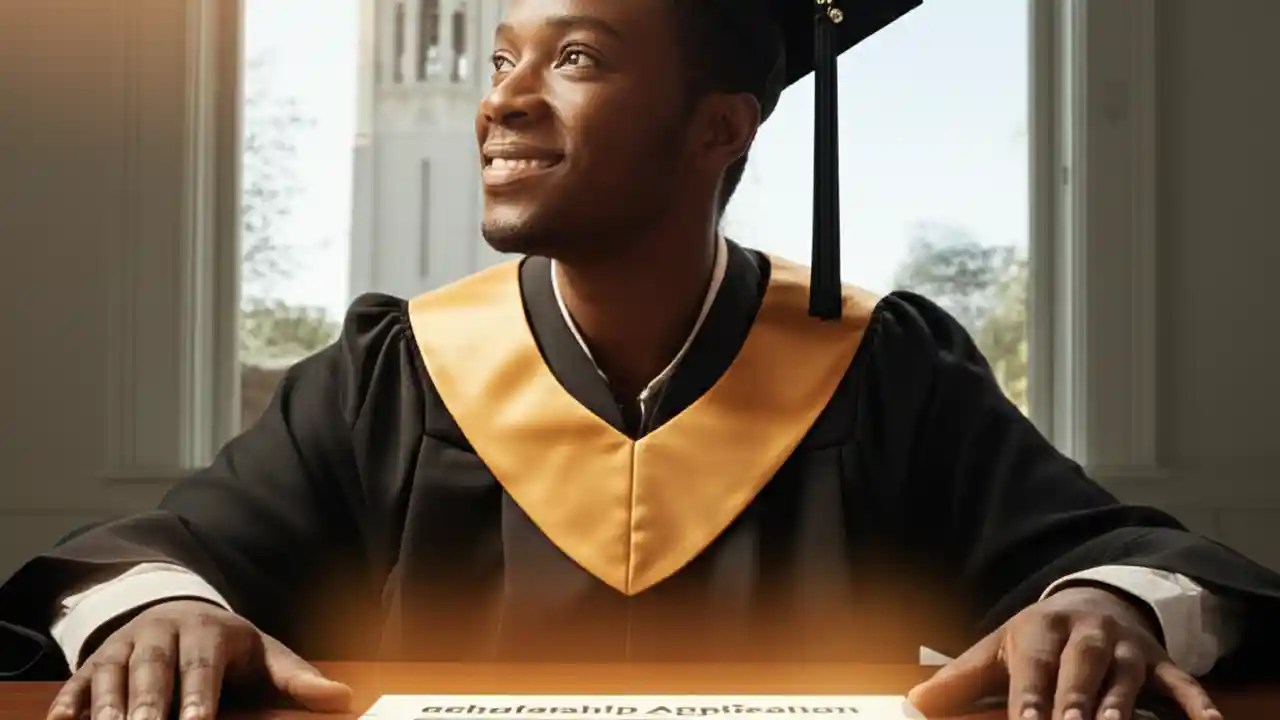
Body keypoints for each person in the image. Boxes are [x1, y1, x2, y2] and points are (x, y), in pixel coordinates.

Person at [2, 0, 1279, 719]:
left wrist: (1102, 606)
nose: (499, 99)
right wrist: (163, 608)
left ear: (718, 128)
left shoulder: (881, 370)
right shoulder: (398, 374)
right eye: (502, 59)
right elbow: (167, 556)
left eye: (574, 59)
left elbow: (1119, 559)